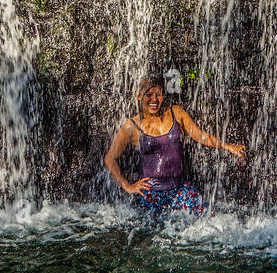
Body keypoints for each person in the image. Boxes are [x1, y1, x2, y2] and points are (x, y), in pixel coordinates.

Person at [103, 74, 246, 215]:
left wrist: (229, 146)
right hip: (152, 191)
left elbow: (201, 136)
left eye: (158, 94)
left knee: (205, 218)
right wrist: (128, 186)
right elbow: (110, 158)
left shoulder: (175, 112)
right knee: (156, 231)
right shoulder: (131, 126)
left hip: (180, 187)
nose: (154, 100)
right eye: (149, 95)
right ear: (139, 96)